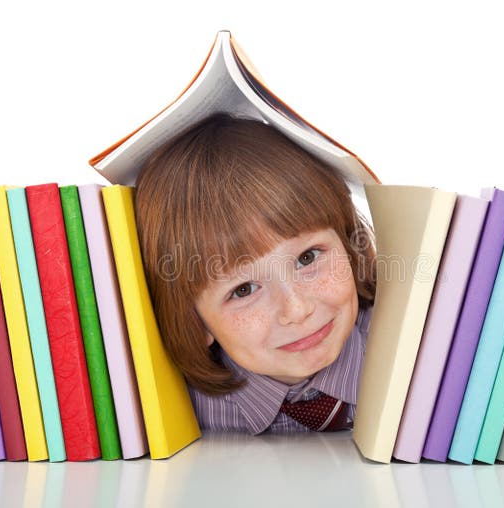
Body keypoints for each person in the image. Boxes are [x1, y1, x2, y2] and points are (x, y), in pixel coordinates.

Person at [134, 113, 376, 434]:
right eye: (244, 289)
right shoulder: (170, 414)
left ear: (347, 244)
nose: (297, 310)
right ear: (195, 321)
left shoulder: (418, 354)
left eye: (307, 257)